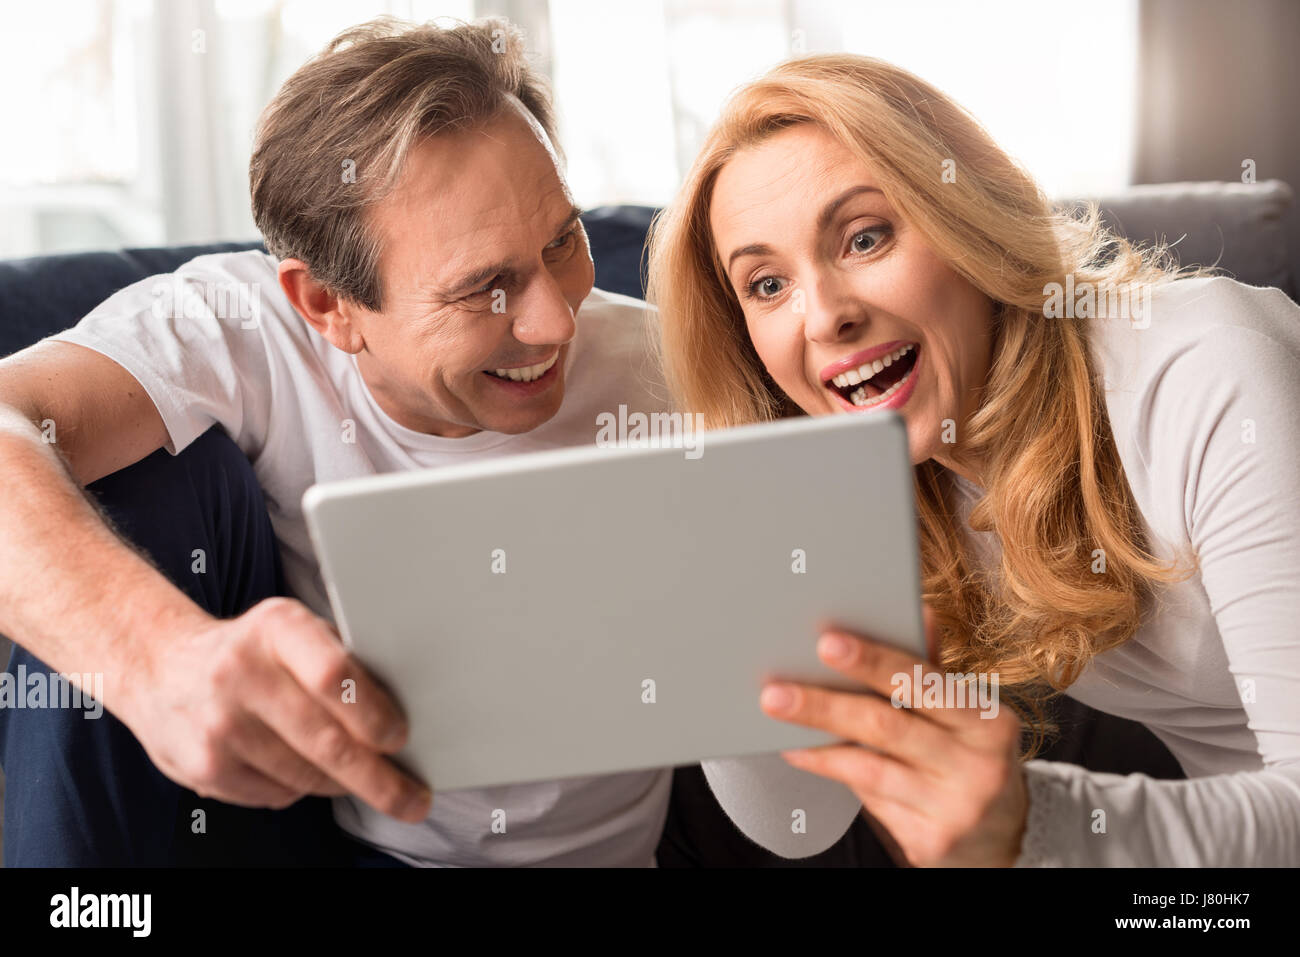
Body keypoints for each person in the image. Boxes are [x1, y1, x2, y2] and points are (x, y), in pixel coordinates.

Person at [0, 17, 683, 867]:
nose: (554, 321)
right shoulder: (244, 327)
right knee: (130, 479)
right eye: (485, 288)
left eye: (562, 242)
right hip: (337, 842)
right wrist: (157, 658)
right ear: (327, 305)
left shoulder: (667, 365)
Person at [647, 53, 1300, 865]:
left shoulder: (1208, 372)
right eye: (768, 285)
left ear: (968, 219)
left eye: (864, 236)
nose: (825, 317)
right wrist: (718, 623)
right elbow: (798, 820)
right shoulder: (899, 473)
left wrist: (1034, 822)